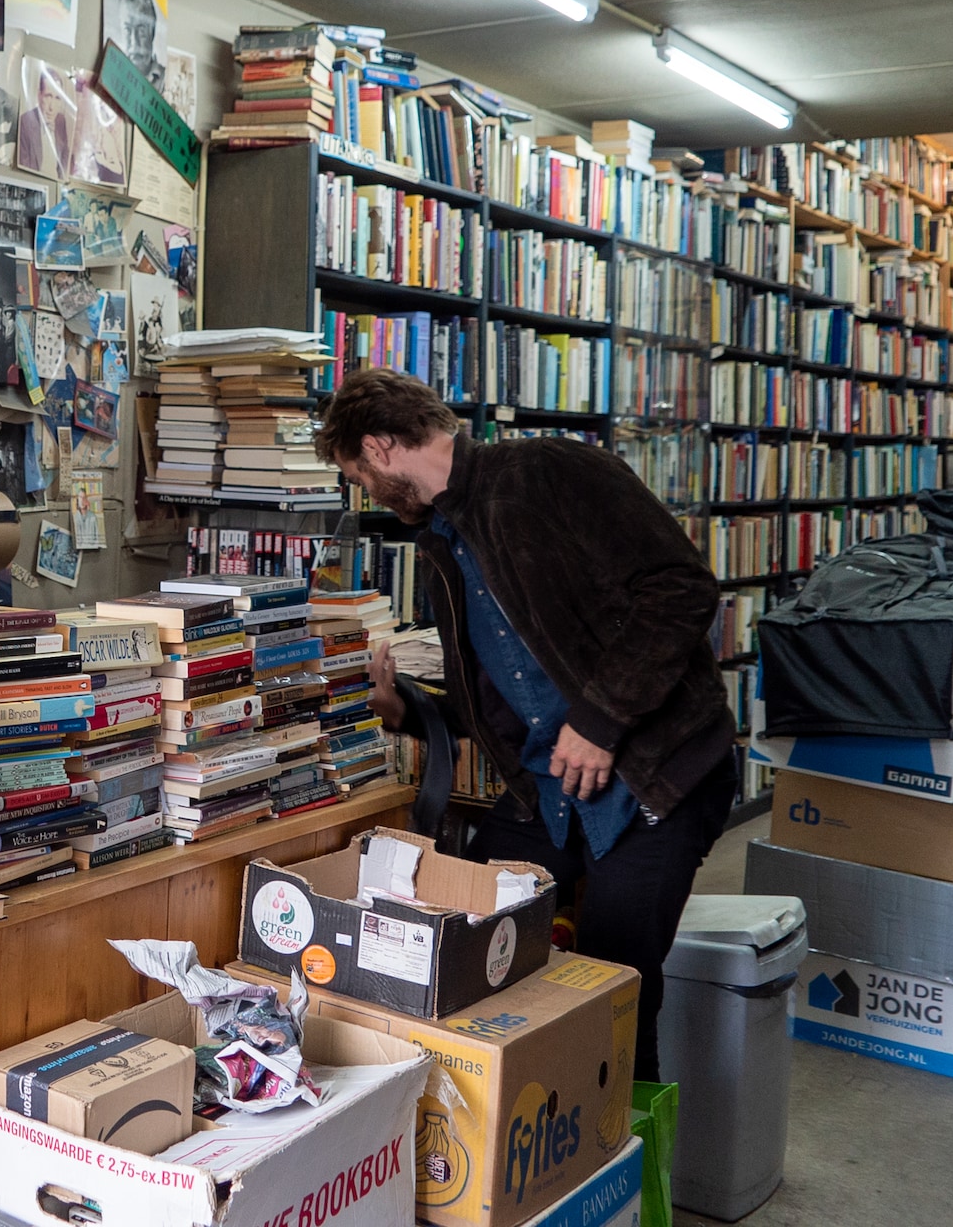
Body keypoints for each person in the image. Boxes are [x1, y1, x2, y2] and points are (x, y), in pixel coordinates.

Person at [314, 367, 735, 1082]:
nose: (365, 491)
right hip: (550, 793)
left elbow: (683, 590)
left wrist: (602, 722)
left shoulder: (550, 471)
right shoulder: (443, 549)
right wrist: (406, 709)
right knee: (460, 927)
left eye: (358, 474)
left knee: (613, 987)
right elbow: (506, 707)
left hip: (654, 779)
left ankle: (624, 1164)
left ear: (381, 447)